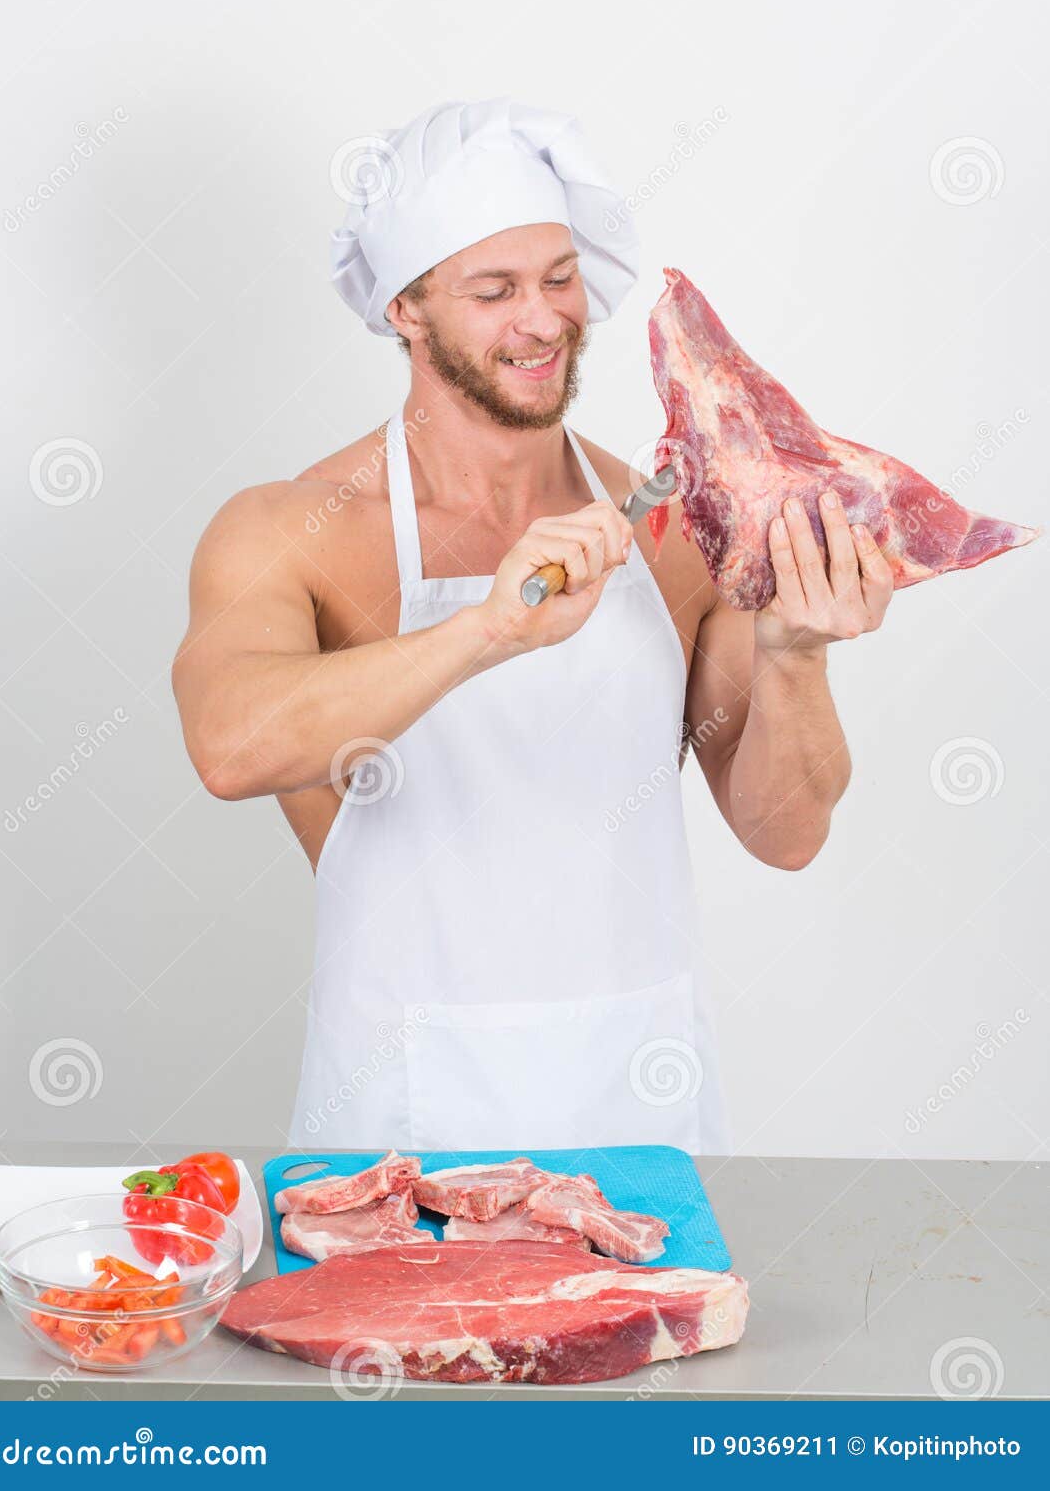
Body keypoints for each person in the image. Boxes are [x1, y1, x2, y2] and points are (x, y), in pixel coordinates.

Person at [172, 98, 892, 1154]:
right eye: (492, 289)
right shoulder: (293, 530)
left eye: (558, 277)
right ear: (405, 310)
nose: (545, 318)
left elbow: (784, 832)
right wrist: (488, 631)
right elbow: (230, 747)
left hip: (639, 1094)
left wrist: (793, 653)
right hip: (395, 1108)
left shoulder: (671, 527)